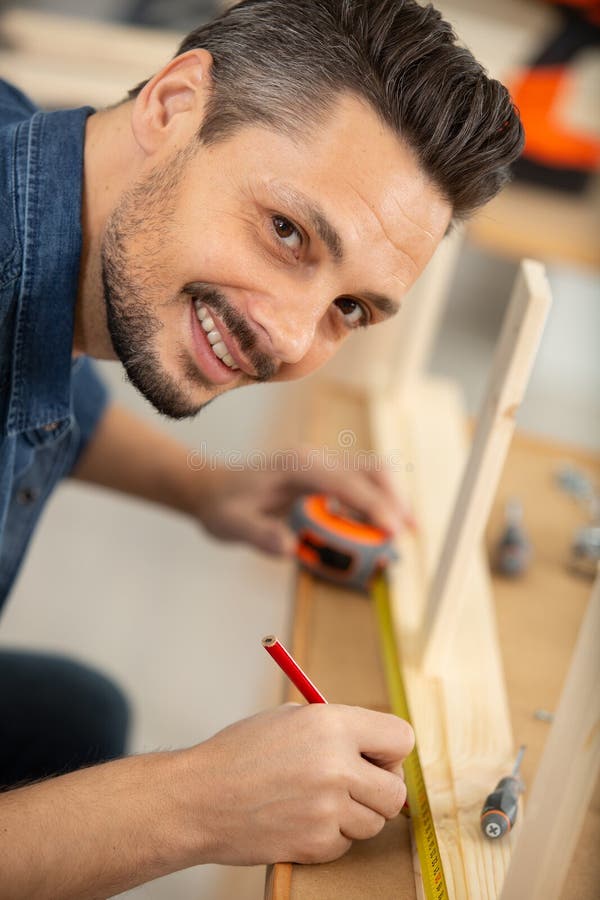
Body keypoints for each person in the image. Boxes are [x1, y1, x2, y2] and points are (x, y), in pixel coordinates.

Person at [0, 0, 523, 895]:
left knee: (77, 721)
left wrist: (208, 490)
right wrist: (193, 804)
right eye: (288, 232)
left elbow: (42, 377)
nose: (287, 339)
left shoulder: (37, 175)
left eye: (349, 309)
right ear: (173, 105)